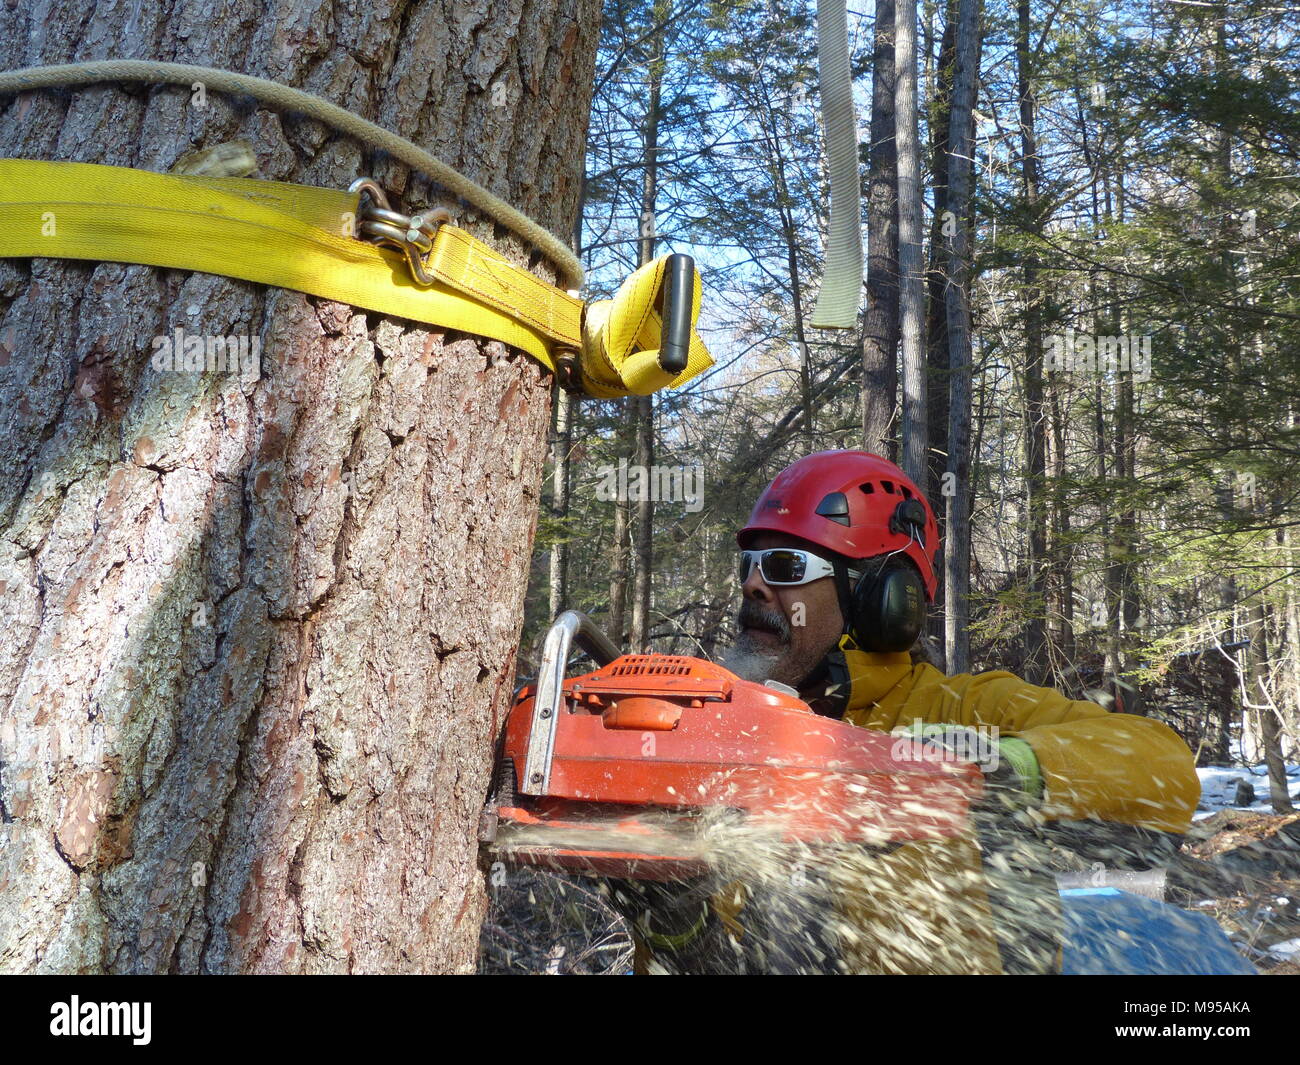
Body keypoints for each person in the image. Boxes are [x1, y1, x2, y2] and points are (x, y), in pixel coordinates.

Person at [626, 450, 1199, 975]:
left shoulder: (970, 709)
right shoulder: (719, 745)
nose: (754, 585)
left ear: (881, 597)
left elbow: (1161, 762)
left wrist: (1006, 767)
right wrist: (675, 918)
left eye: (785, 566)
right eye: (749, 564)